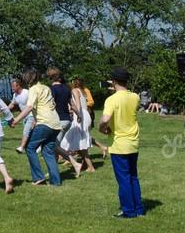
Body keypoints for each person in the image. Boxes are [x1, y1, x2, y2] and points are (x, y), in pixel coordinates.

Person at [99, 67, 144, 218]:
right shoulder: (135, 97)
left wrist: (102, 128)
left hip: (119, 144)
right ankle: (139, 209)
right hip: (133, 142)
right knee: (133, 177)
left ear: (113, 81)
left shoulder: (111, 100)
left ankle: (128, 211)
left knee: (123, 179)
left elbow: (105, 119)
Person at [10, 68, 63, 186]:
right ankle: (56, 182)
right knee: (48, 152)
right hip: (55, 123)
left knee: (29, 148)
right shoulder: (46, 87)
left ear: (27, 79)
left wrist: (16, 120)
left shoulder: (33, 89)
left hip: (45, 123)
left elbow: (29, 107)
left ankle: (38, 177)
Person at [59, 81, 94, 177]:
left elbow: (78, 103)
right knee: (78, 142)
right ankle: (85, 165)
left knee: (78, 142)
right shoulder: (81, 90)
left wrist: (78, 114)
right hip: (84, 114)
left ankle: (90, 167)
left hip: (80, 115)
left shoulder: (74, 90)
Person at [47, 67, 75, 169]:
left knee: (52, 146)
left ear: (50, 77)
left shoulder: (51, 89)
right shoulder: (66, 89)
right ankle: (54, 171)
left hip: (58, 121)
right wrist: (79, 115)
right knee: (55, 146)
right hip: (67, 120)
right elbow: (72, 104)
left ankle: (74, 162)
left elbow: (51, 105)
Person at [8, 77, 34, 154]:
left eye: (13, 86)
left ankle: (21, 147)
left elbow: (34, 104)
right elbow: (12, 104)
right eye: (11, 86)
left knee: (26, 132)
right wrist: (4, 110)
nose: (12, 88)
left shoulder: (26, 92)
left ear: (18, 86)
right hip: (24, 116)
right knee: (30, 133)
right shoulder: (15, 95)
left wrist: (36, 119)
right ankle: (32, 148)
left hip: (31, 115)